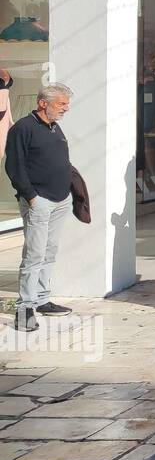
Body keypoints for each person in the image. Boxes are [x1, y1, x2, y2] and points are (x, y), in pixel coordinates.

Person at [6, 83, 76, 332]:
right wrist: (31, 197)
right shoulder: (23, 128)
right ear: (43, 103)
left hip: (60, 200)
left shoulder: (55, 127)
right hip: (39, 201)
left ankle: (43, 299)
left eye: (66, 104)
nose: (66, 108)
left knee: (49, 251)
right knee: (33, 255)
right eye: (61, 104)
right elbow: (14, 166)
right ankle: (24, 308)